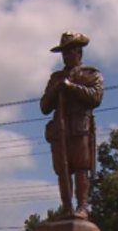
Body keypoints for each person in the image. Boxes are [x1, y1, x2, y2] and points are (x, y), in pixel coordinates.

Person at [40, 31, 103, 219]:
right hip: (60, 131)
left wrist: (71, 87)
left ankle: (82, 206)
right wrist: (55, 90)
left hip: (80, 127)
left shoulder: (91, 74)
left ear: (78, 52)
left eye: (70, 51)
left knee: (81, 167)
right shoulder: (55, 77)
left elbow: (95, 97)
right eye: (64, 52)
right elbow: (44, 106)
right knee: (62, 169)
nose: (66, 56)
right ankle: (66, 207)